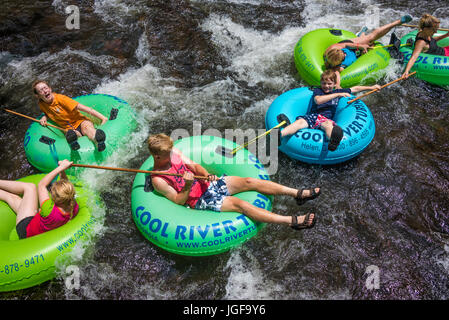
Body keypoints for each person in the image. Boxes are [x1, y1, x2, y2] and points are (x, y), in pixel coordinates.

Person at [146, 134, 321, 230]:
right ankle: (291, 221)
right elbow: (178, 201)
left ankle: (297, 194)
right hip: (199, 200)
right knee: (240, 205)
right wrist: (188, 185)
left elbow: (194, 166)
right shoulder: (158, 180)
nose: (172, 154)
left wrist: (206, 174)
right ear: (157, 156)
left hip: (207, 184)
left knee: (249, 180)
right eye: (167, 153)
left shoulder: (173, 151)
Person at [280, 70, 381, 151]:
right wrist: (337, 95)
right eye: (324, 83)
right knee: (299, 123)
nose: (326, 86)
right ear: (320, 83)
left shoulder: (339, 91)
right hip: (313, 116)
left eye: (329, 83)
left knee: (328, 125)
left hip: (325, 119)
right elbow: (318, 101)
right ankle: (279, 135)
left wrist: (372, 87)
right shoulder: (318, 90)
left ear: (334, 84)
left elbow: (356, 88)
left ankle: (332, 141)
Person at [324, 15, 412, 87]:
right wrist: (338, 84)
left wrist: (361, 46)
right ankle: (361, 35)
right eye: (343, 55)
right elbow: (336, 73)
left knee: (371, 39)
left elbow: (346, 45)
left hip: (350, 45)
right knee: (371, 44)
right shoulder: (338, 66)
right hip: (354, 53)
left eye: (343, 52)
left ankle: (397, 22)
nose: (344, 53)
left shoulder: (335, 50)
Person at [0, 159, 78, 239]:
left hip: (25, 229)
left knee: (30, 187)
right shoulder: (74, 206)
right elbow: (65, 186)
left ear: (55, 197)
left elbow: (41, 185)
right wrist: (62, 171)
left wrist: (60, 168)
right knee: (12, 198)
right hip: (39, 228)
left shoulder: (48, 208)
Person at [32, 80, 108, 152]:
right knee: (73, 134)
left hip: (80, 121)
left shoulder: (61, 99)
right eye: (41, 90)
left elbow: (84, 108)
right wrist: (44, 117)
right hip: (69, 129)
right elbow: (48, 112)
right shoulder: (41, 104)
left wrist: (103, 118)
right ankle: (74, 142)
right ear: (38, 96)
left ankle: (98, 140)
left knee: (87, 128)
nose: (45, 91)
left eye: (45, 88)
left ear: (50, 88)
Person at [402, 14, 449, 79]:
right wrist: (406, 71)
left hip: (444, 50)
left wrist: (446, 35)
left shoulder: (424, 32)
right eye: (434, 29)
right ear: (426, 29)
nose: (436, 31)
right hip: (444, 57)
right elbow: (414, 56)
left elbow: (433, 40)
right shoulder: (421, 42)